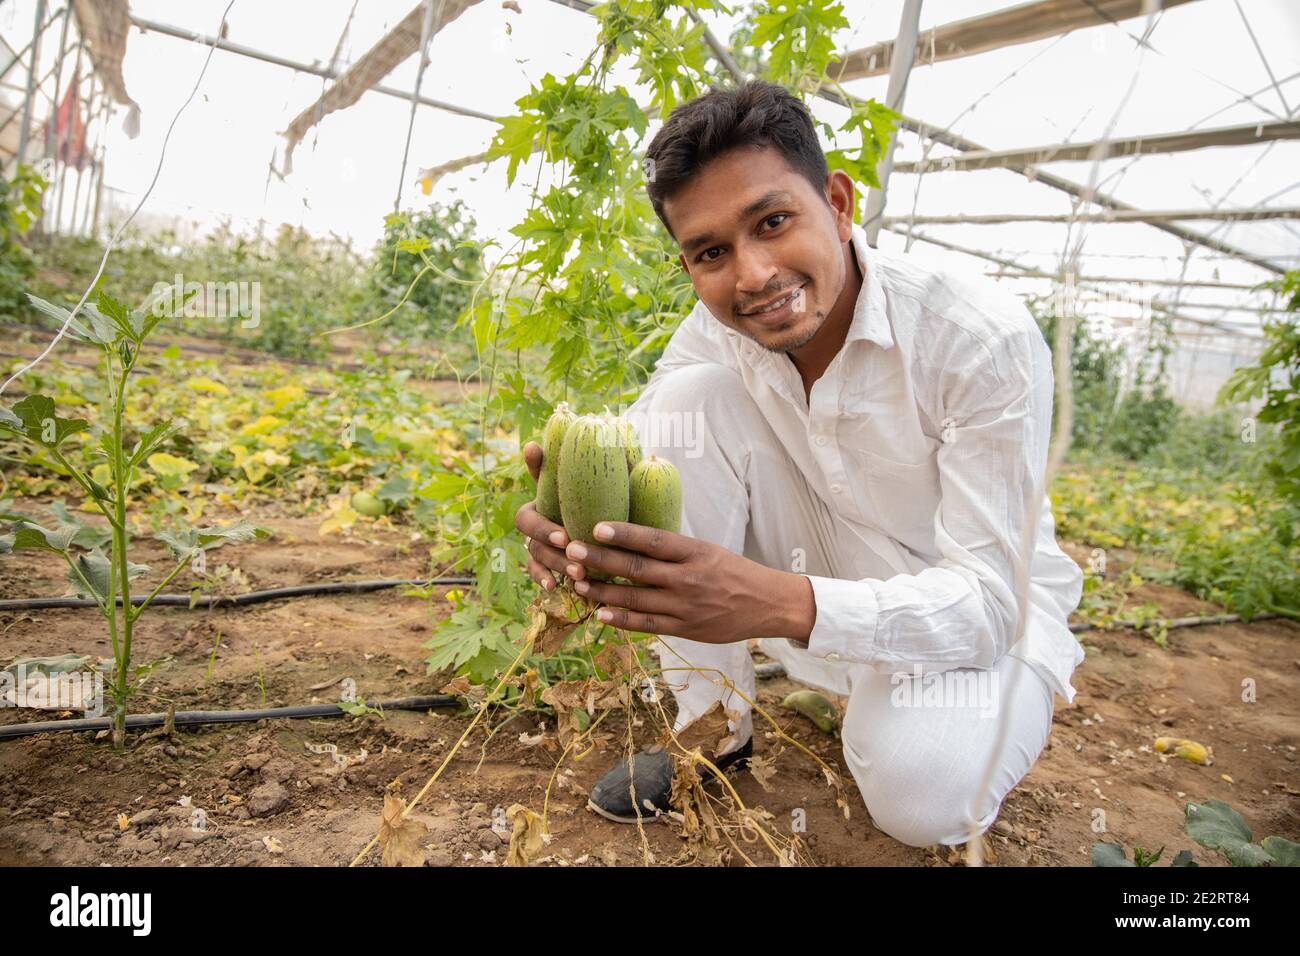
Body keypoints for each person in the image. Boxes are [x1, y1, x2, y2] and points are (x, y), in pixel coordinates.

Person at [513, 79, 1085, 849]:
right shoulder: (717, 329)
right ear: (688, 267)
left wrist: (785, 603)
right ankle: (713, 726)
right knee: (684, 407)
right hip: (821, 559)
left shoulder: (978, 338)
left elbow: (988, 604)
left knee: (926, 797)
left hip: (973, 612)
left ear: (840, 205)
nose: (751, 274)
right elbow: (647, 444)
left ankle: (945, 710)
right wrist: (573, 520)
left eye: (773, 222)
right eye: (711, 252)